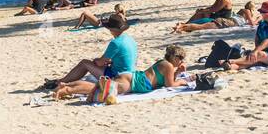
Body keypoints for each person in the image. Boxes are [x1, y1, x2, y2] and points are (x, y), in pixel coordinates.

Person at [53, 44, 189, 102]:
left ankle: (66, 85)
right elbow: (170, 84)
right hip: (132, 82)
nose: (182, 61)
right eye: (181, 59)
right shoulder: (168, 65)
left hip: (131, 78)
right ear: (175, 57)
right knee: (101, 88)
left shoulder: (165, 64)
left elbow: (166, 80)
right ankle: (67, 90)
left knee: (102, 86)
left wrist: (178, 72)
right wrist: (183, 81)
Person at [43, 11, 136, 89]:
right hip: (130, 74)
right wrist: (110, 62)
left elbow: (100, 63)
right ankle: (60, 81)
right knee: (90, 64)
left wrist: (96, 61)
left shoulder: (116, 43)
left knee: (84, 63)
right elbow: (124, 57)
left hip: (118, 76)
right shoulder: (129, 39)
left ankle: (59, 82)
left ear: (111, 29)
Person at [225, 2, 268, 70]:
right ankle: (232, 66)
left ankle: (231, 61)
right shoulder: (263, 24)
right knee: (253, 59)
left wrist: (255, 51)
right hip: (266, 53)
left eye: (262, 12)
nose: (261, 14)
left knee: (258, 55)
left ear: (266, 14)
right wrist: (256, 50)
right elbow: (257, 38)